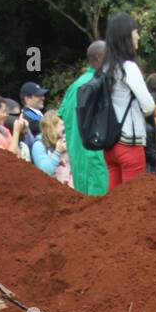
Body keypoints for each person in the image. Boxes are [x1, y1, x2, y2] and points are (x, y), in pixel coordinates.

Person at [101, 12, 155, 190]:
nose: (138, 36)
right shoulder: (128, 68)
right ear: (126, 36)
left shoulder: (105, 68)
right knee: (133, 204)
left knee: (115, 204)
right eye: (135, 32)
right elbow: (149, 106)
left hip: (110, 145)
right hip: (129, 143)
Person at [58, 41, 108, 196]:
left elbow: (61, 117)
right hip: (97, 160)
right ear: (100, 57)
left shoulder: (74, 86)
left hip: (78, 161)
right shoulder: (100, 83)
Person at [31, 110, 73, 185]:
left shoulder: (65, 141)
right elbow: (45, 171)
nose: (65, 128)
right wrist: (57, 152)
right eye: (62, 125)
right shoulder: (39, 145)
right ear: (52, 127)